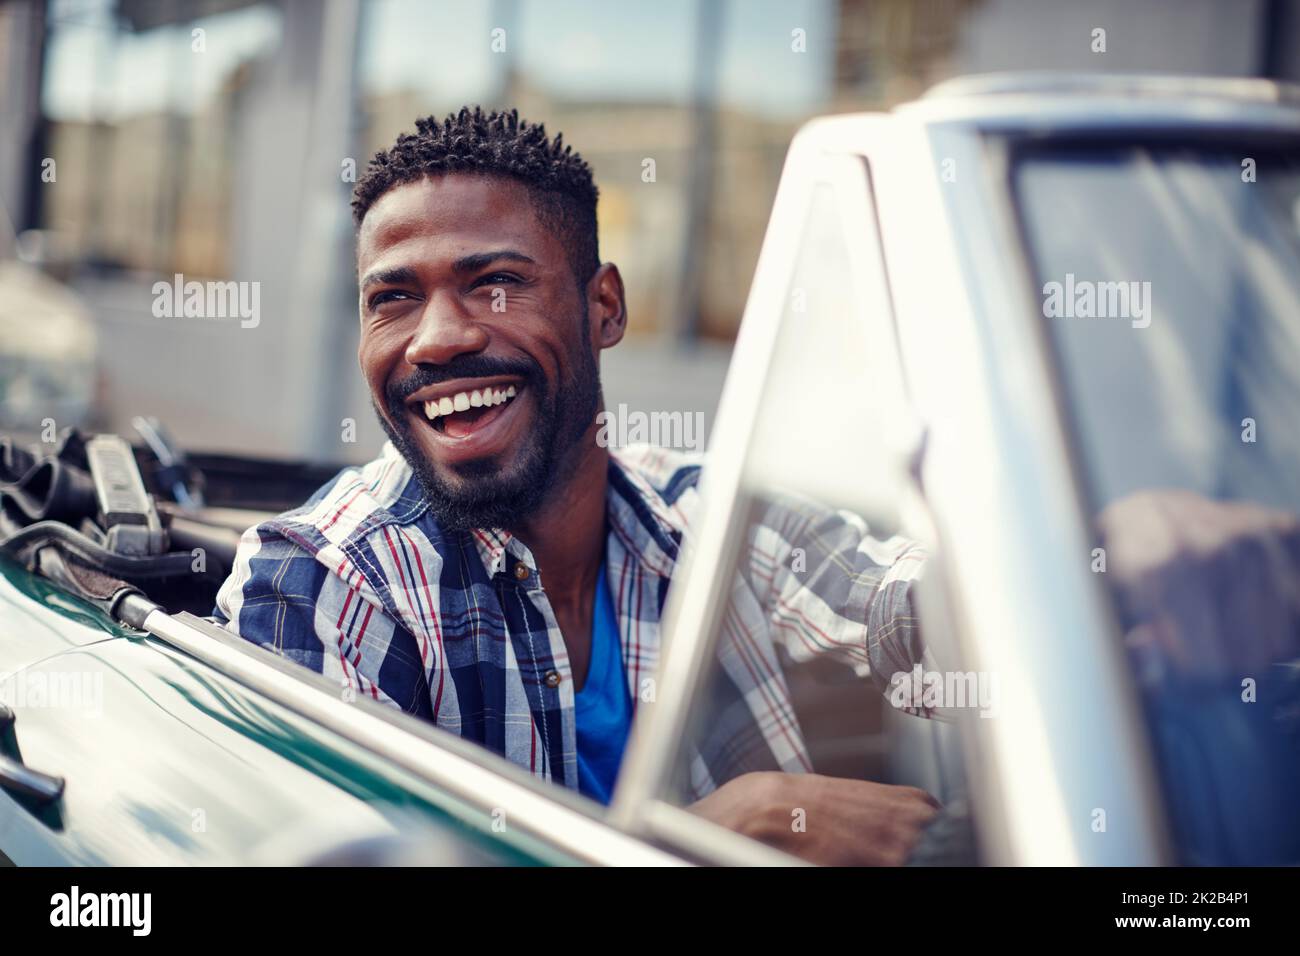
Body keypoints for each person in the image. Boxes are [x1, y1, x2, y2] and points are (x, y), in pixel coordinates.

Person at [214, 107, 1300, 865]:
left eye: (494, 282)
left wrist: (1114, 566)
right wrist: (709, 832)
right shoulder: (323, 582)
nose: (439, 338)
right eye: (391, 300)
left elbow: (909, 602)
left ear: (603, 307)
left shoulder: (708, 512)